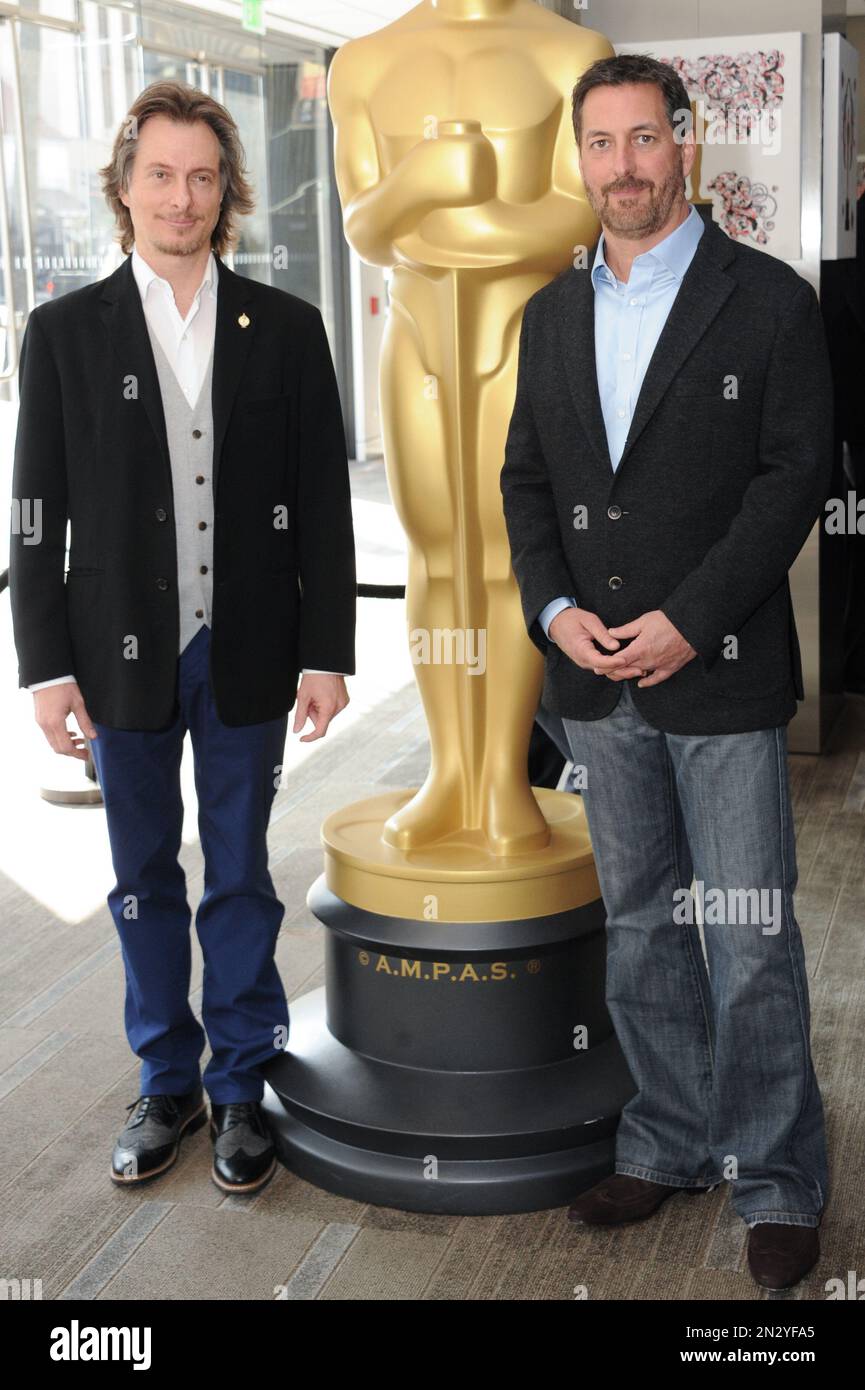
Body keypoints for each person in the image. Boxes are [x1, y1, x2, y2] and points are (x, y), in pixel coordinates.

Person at [500, 53, 832, 1292]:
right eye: (600, 144)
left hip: (721, 668)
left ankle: (777, 1171)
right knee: (639, 930)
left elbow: (792, 477)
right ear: (577, 157)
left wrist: (688, 619)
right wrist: (552, 611)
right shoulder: (549, 312)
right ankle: (670, 1138)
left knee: (747, 937)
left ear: (684, 144)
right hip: (596, 682)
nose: (622, 167)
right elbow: (524, 481)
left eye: (645, 139)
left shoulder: (767, 301)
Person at [8, 80, 356, 1194]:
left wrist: (327, 647)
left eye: (203, 175)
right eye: (160, 172)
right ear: (124, 187)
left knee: (243, 872)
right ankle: (166, 1079)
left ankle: (240, 1083)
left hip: (248, 647)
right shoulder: (61, 333)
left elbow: (325, 502)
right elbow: (33, 515)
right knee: (142, 875)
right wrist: (46, 666)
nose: (183, 194)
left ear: (227, 191)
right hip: (116, 657)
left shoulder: (289, 329)